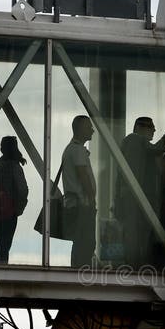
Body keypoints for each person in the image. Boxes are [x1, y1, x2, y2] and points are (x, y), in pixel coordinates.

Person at [114, 116, 165, 269]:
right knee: (139, 235)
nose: (154, 130)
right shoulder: (134, 140)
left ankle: (136, 265)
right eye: (151, 127)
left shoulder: (134, 145)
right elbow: (157, 149)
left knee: (139, 234)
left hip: (135, 199)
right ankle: (136, 266)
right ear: (139, 128)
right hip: (137, 200)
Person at [61, 115, 97, 268]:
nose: (93, 130)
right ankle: (81, 272)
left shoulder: (71, 149)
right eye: (89, 127)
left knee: (79, 242)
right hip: (82, 204)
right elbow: (83, 175)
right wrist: (91, 199)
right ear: (81, 129)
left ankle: (77, 269)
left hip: (74, 204)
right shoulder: (77, 150)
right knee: (86, 243)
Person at [0, 136, 28, 264]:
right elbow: (22, 190)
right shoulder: (15, 167)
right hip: (9, 211)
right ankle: (0, 273)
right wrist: (19, 208)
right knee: (4, 246)